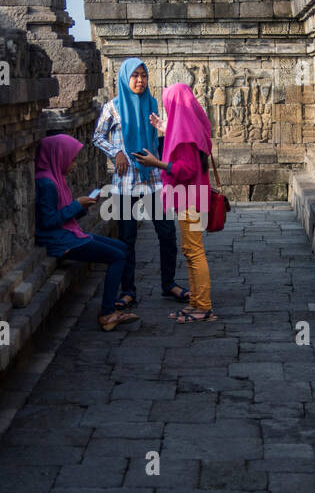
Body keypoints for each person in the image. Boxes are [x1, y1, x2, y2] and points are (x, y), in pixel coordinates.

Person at [91, 57, 190, 312]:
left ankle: (169, 283)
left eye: (143, 75)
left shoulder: (152, 104)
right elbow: (98, 137)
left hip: (154, 180)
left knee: (167, 234)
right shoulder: (113, 107)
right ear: (125, 78)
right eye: (134, 76)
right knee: (127, 238)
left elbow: (163, 137)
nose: (139, 80)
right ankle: (128, 290)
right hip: (125, 183)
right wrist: (116, 153)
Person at [34, 134, 138, 331]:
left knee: (122, 248)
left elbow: (65, 215)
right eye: (72, 159)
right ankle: (107, 312)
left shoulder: (56, 178)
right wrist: (76, 205)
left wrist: (83, 206)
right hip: (60, 240)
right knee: (116, 256)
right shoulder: (47, 183)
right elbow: (48, 221)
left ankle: (112, 302)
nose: (74, 164)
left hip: (68, 233)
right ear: (58, 157)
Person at [132, 83, 215, 323]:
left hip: (190, 197)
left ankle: (204, 306)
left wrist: (156, 163)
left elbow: (186, 169)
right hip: (192, 195)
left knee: (195, 252)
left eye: (169, 105)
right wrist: (163, 127)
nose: (168, 109)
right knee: (190, 250)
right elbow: (183, 145)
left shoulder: (185, 136)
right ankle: (196, 302)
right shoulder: (191, 127)